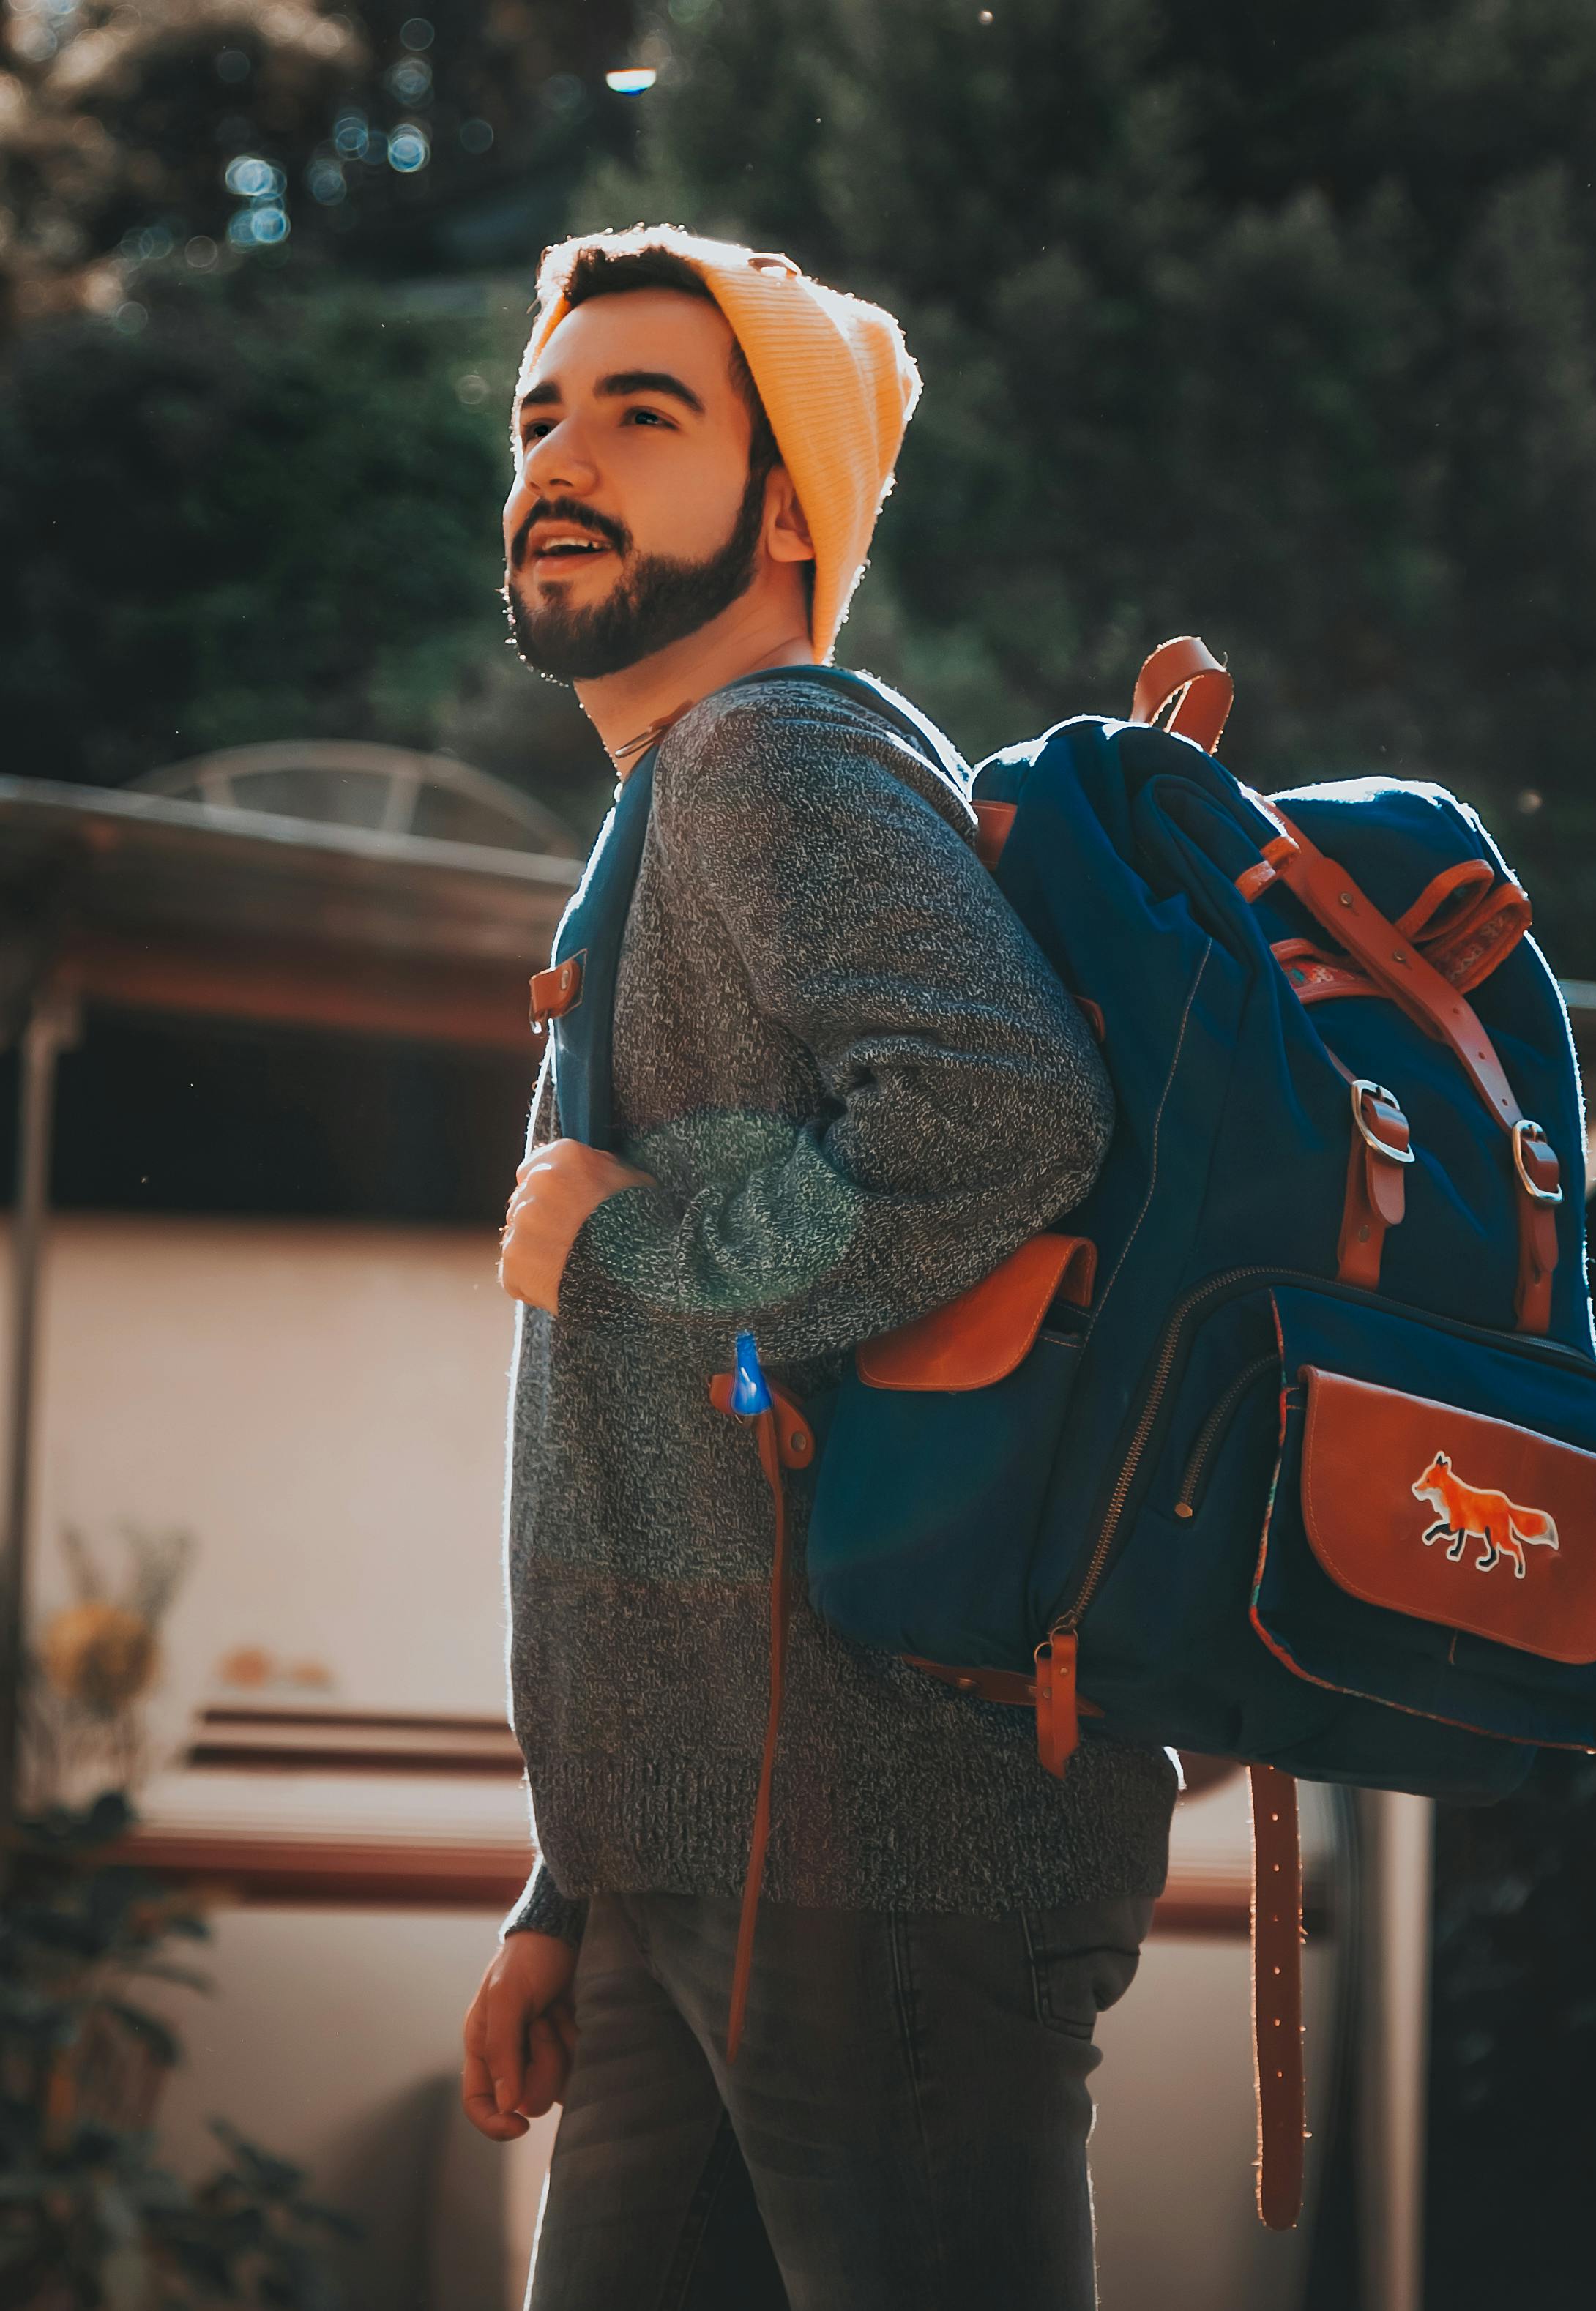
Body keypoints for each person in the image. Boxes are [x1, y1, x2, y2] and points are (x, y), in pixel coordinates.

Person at [460, 224, 1179, 2311]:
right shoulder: (673, 803)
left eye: (640, 412)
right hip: (711, 1859)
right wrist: (567, 1886)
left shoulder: (772, 754)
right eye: (539, 414)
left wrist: (642, 1254)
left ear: (790, 508)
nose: (558, 456)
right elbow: (675, 1473)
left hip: (884, 1859)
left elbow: (1006, 1117)